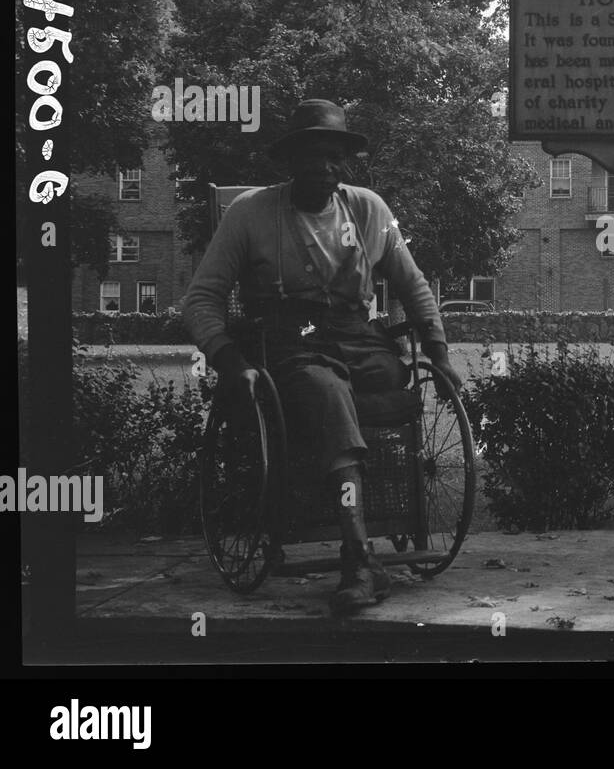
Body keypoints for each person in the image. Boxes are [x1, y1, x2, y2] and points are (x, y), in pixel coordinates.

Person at [182, 100, 463, 615]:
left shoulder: (368, 209)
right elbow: (202, 298)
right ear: (290, 161)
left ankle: (365, 518)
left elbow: (413, 282)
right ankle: (358, 555)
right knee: (325, 388)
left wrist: (439, 353)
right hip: (290, 338)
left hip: (357, 334)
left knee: (390, 374)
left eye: (335, 157)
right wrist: (229, 359)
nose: (325, 168)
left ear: (345, 162)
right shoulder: (250, 213)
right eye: (313, 156)